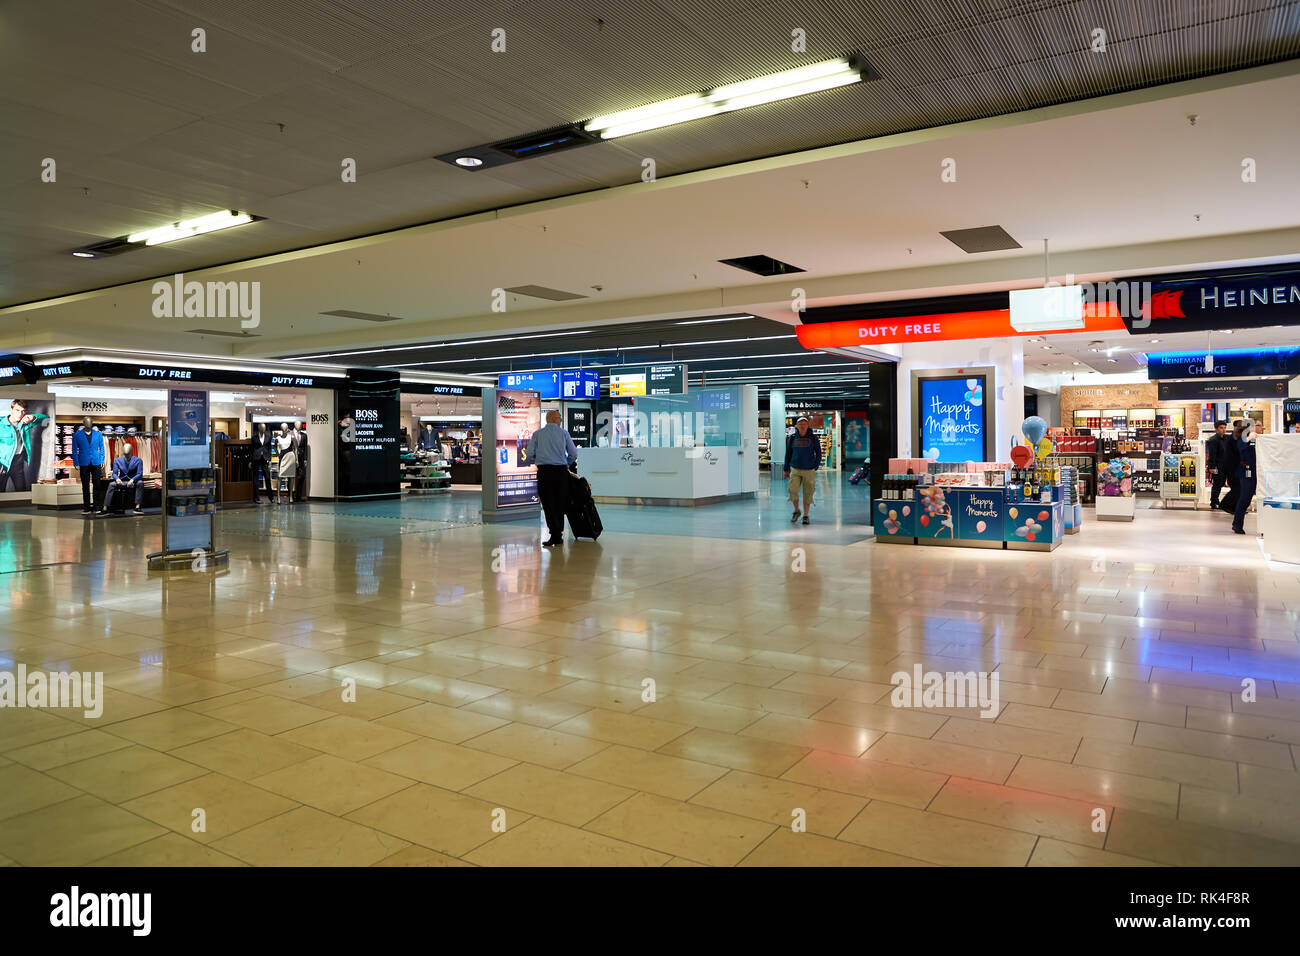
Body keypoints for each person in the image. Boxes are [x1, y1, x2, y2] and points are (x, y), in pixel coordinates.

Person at [525, 410, 578, 547]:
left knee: (548, 504)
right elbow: (573, 453)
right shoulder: (563, 433)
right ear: (554, 419)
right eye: (559, 418)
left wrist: (539, 459)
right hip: (560, 472)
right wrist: (566, 462)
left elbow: (529, 453)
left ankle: (553, 534)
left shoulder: (537, 434)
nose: (560, 420)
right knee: (560, 503)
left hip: (544, 472)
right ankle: (558, 534)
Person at [0, 398, 49, 494]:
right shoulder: (1, 424)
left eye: (23, 411)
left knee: (21, 490)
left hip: (18, 463)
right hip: (3, 463)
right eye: (17, 410)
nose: (20, 414)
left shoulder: (25, 423)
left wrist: (32, 417)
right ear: (11, 410)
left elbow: (46, 419)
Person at [783, 416, 822, 524]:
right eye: (800, 424)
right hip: (795, 468)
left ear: (807, 425)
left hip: (809, 469)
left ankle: (805, 515)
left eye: (804, 424)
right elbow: (788, 454)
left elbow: (818, 452)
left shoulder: (813, 438)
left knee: (808, 493)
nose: (802, 426)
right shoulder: (792, 437)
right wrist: (786, 468)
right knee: (792, 490)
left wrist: (816, 465)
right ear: (797, 426)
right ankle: (796, 511)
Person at [72, 416, 106, 515]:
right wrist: (76, 462)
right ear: (83, 423)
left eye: (90, 422)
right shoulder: (77, 435)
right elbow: (74, 450)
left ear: (92, 423)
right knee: (85, 486)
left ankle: (97, 506)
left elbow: (102, 448)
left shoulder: (98, 434)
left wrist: (102, 460)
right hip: (83, 462)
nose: (88, 424)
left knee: (97, 485)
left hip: (96, 462)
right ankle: (86, 507)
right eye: (86, 422)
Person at [99, 444, 145, 516]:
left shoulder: (138, 460)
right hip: (122, 481)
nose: (127, 456)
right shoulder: (117, 460)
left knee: (140, 483)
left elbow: (139, 473)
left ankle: (138, 507)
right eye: (125, 454)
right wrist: (117, 479)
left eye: (128, 454)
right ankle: (105, 507)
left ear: (131, 452)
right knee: (111, 484)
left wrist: (133, 480)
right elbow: (114, 473)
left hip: (133, 481)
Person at [1232, 420, 1258, 535]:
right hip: (1246, 472)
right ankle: (1237, 524)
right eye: (1254, 426)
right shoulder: (1241, 439)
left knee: (1246, 498)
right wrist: (1249, 439)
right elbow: (1242, 449)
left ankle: (1237, 524)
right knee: (1244, 499)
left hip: (1254, 471)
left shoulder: (1252, 439)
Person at [1205, 420, 1232, 510]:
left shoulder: (1226, 438)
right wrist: (1212, 467)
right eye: (1221, 428)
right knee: (1217, 484)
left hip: (1226, 466)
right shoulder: (1213, 440)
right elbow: (1212, 455)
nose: (1223, 430)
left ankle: (1219, 502)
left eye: (1225, 428)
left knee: (1222, 484)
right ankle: (1214, 502)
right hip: (1217, 467)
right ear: (1216, 429)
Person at [1218, 422, 1244, 515]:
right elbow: (1233, 454)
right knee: (1237, 488)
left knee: (1238, 488)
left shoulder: (1237, 437)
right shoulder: (1233, 438)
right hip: (1232, 468)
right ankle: (1225, 504)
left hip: (1236, 467)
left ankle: (1234, 508)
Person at [250, 423, 273, 503]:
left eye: (264, 428)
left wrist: (269, 458)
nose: (263, 429)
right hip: (256, 458)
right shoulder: (254, 438)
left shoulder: (268, 437)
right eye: (261, 428)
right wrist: (251, 460)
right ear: (259, 428)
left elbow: (269, 448)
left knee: (267, 477)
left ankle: (271, 497)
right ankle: (256, 498)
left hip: (265, 458)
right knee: (255, 479)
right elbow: (251, 449)